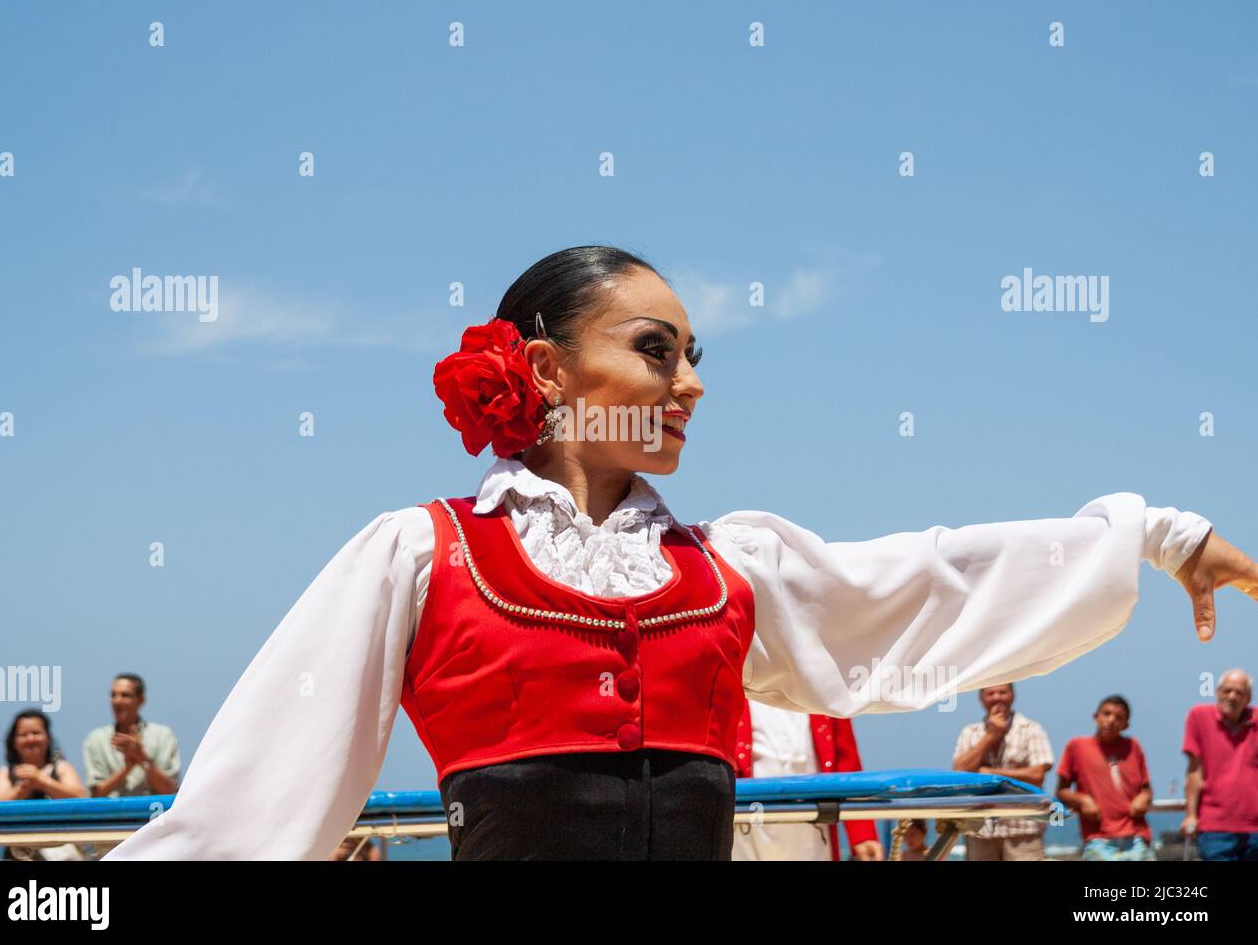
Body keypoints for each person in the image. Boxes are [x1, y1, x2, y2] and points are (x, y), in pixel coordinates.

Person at [105, 244, 1255, 861]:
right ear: (548, 371)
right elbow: (249, 809)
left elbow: (928, 581)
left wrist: (1156, 535)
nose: (691, 382)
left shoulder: (730, 566)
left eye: (693, 352)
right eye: (656, 350)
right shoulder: (420, 552)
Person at [731, 698, 882, 860]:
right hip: (748, 826)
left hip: (815, 826)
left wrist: (862, 834)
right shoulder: (736, 685)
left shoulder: (823, 689)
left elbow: (846, 762)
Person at [952, 683, 1053, 859]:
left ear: (1012, 695)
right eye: (991, 693)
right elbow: (959, 772)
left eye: (1002, 692)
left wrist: (988, 772)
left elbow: (1037, 775)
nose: (997, 697)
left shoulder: (1030, 729)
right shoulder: (970, 732)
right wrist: (990, 736)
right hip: (980, 828)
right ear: (981, 698)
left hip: (1023, 828)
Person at [1055, 695, 1154, 860]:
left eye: (1118, 717)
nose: (1111, 720)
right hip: (1099, 838)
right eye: (1106, 714)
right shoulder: (1077, 747)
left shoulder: (1133, 747)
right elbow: (1061, 791)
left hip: (1135, 837)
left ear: (1126, 724)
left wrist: (1143, 798)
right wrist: (1082, 800)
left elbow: (1147, 789)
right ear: (1095, 716)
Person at [0, 710, 88, 860]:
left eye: (36, 733)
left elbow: (81, 799)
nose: (31, 739)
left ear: (48, 738)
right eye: (24, 735)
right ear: (14, 742)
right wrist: (22, 789)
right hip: (18, 855)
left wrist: (42, 781)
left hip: (63, 852)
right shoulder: (4, 773)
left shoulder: (62, 768)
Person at [1182, 669, 1258, 860]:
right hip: (1214, 827)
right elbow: (1194, 770)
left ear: (1248, 698)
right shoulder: (1199, 716)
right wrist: (1190, 815)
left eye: (1239, 693)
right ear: (1217, 692)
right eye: (1227, 691)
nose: (1232, 697)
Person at [83, 673, 180, 798]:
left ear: (141, 700)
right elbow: (96, 794)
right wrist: (127, 768)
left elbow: (170, 790)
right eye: (113, 695)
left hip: (153, 815)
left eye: (125, 695)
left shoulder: (163, 736)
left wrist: (142, 757)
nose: (117, 701)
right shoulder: (95, 740)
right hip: (111, 816)